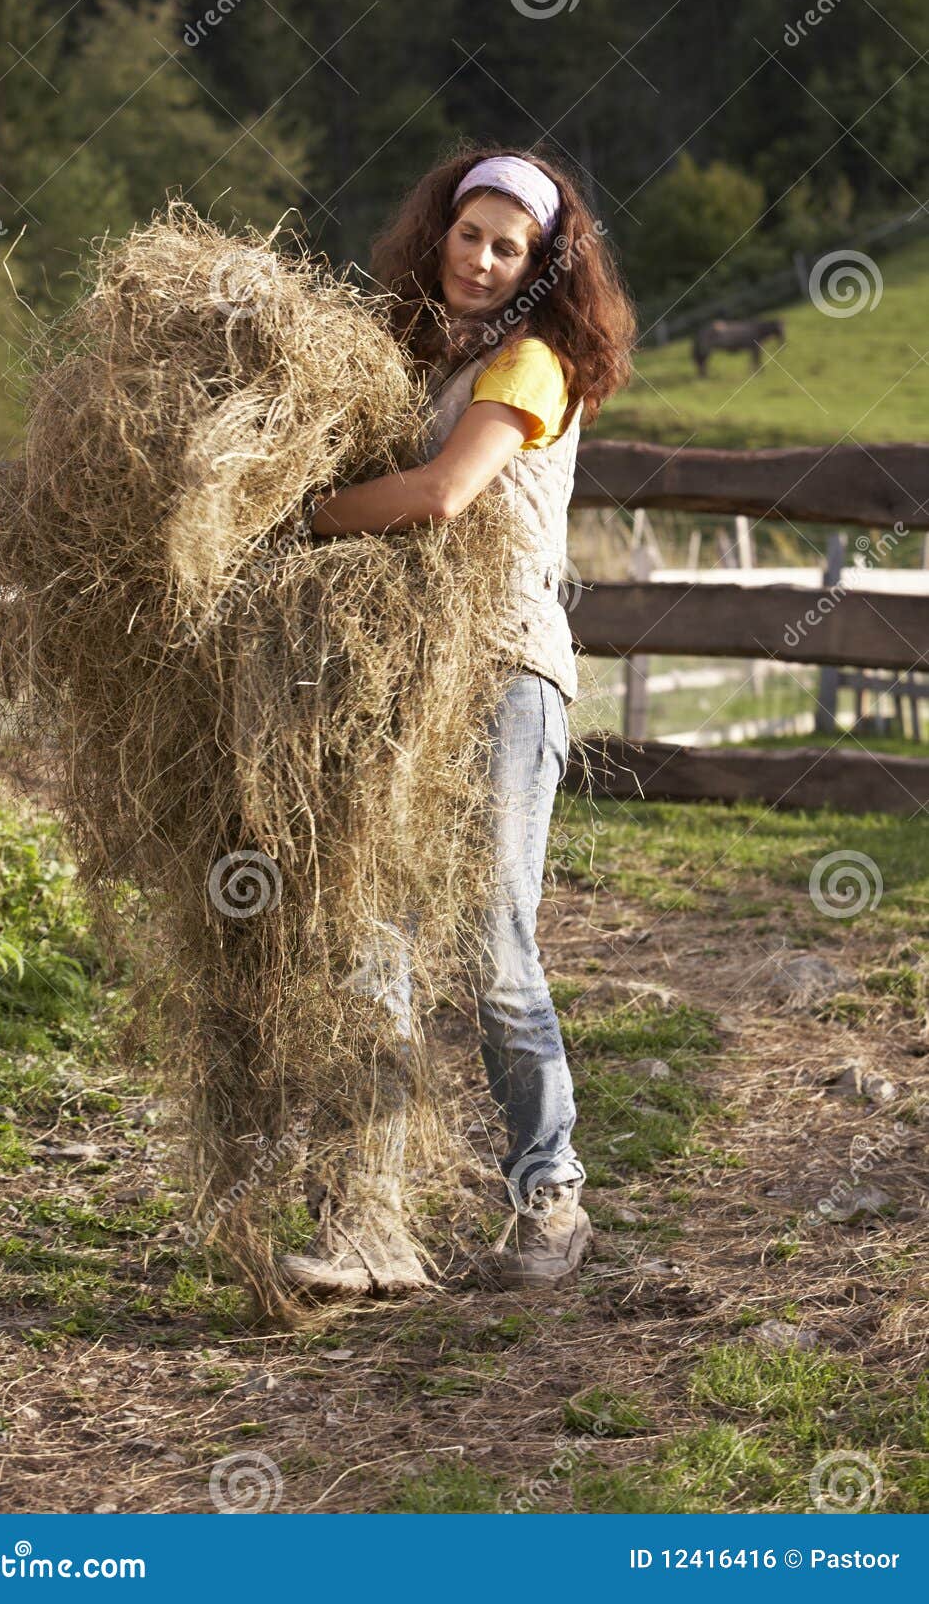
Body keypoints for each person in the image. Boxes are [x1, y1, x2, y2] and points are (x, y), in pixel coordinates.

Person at [277, 148, 636, 1299]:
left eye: (507, 247)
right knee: (374, 944)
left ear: (540, 270)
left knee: (491, 945)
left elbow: (440, 494)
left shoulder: (530, 363)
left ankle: (549, 1198)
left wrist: (303, 519)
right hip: (405, 674)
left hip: (503, 673)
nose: (479, 260)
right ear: (437, 232)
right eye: (467, 234)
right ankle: (366, 1225)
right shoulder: (430, 356)